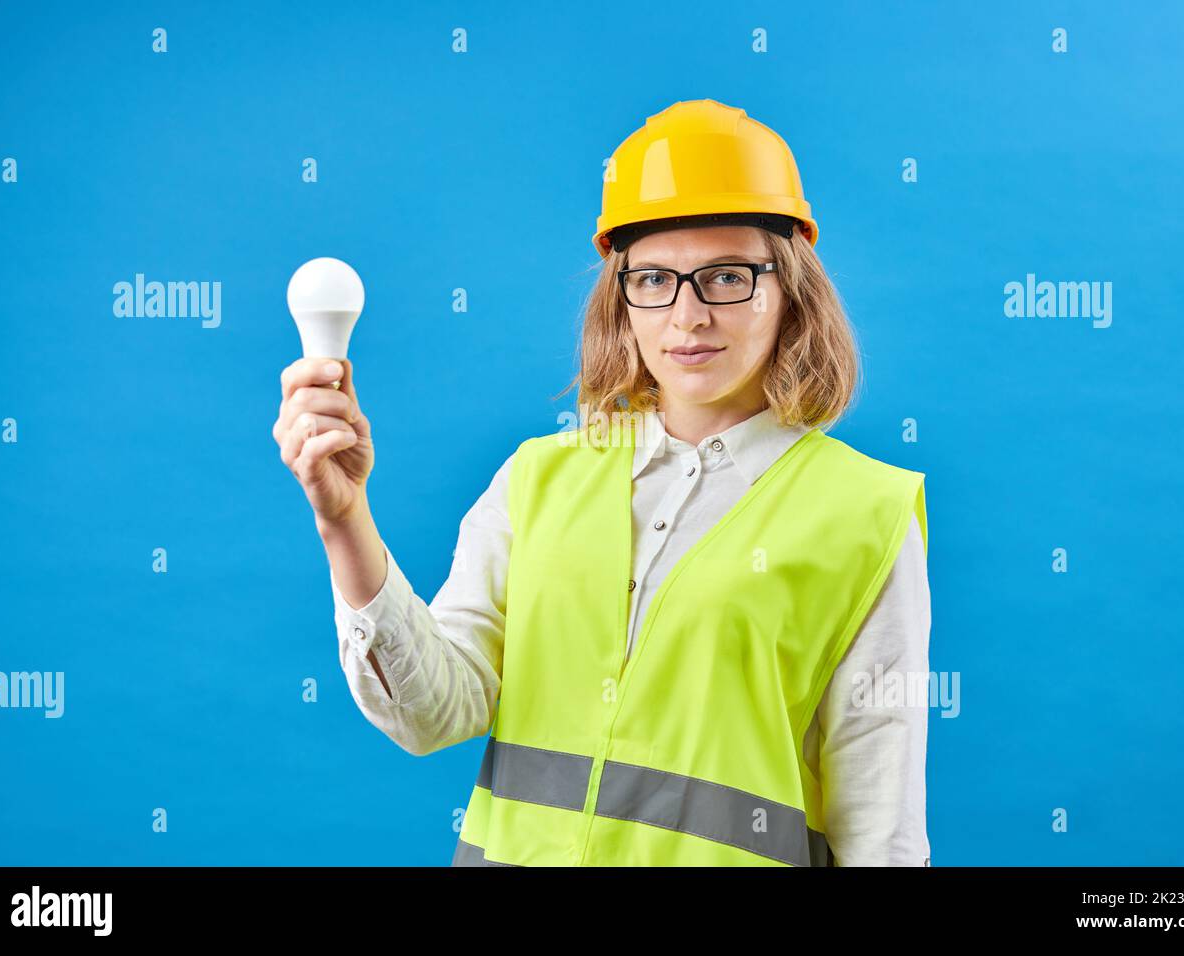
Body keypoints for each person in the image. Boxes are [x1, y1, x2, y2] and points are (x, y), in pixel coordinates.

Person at [273, 99, 931, 867]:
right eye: (654, 278)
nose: (688, 317)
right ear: (622, 297)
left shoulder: (865, 515)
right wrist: (344, 520)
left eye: (725, 277)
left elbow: (881, 831)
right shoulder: (538, 477)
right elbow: (430, 714)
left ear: (789, 290)